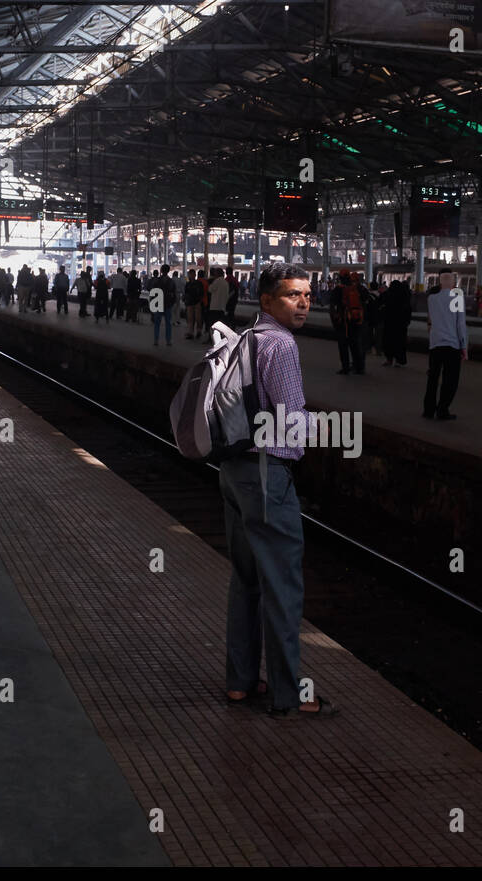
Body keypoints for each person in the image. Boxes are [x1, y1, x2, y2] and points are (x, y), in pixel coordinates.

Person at [219, 262, 337, 719]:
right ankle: (290, 694)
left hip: (234, 469)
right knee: (283, 586)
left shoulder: (247, 338)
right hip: (267, 473)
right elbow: (290, 418)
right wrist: (328, 428)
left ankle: (240, 682)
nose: (303, 302)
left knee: (246, 581)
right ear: (266, 301)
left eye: (307, 294)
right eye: (292, 295)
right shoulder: (282, 345)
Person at [422, 268, 467, 419]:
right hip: (452, 344)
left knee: (433, 378)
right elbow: (460, 325)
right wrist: (464, 347)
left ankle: (428, 410)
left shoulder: (431, 299)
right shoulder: (457, 299)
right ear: (453, 283)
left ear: (440, 283)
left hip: (435, 344)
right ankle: (442, 410)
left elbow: (432, 320)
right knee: (450, 380)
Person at [381, 278, 411, 368]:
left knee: (388, 341)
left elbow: (383, 306)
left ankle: (389, 359)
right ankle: (399, 360)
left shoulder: (388, 295)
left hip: (389, 323)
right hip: (400, 324)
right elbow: (408, 310)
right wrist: (406, 322)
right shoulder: (404, 297)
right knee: (400, 343)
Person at [205, 267, 228, 342]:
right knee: (220, 324)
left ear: (217, 274)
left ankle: (211, 339)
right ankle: (219, 339)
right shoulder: (225, 282)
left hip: (215, 307)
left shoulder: (217, 281)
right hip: (222, 307)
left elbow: (210, 289)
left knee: (212, 324)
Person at [183, 268, 203, 338]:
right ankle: (190, 332)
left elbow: (201, 293)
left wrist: (200, 301)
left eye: (191, 274)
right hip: (190, 303)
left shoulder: (198, 283)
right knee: (190, 318)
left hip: (196, 302)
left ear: (194, 275)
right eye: (189, 274)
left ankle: (198, 331)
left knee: (198, 318)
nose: (190, 276)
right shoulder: (188, 284)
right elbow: (185, 293)